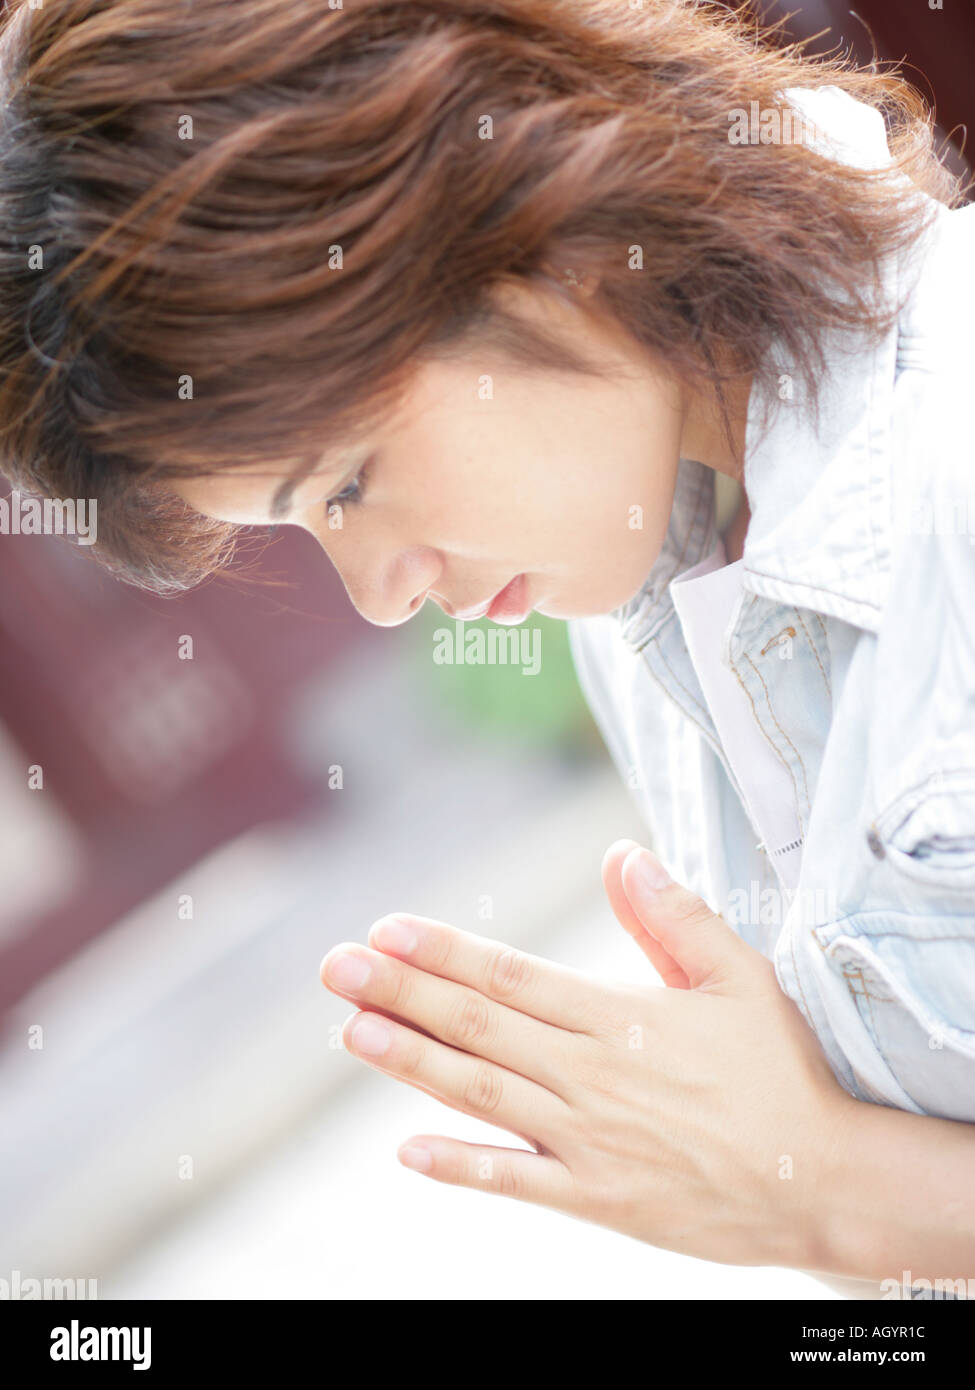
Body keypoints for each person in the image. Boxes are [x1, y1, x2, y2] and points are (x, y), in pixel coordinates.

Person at [1, 0, 972, 1292]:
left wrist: (820, 1196)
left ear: (524, 229)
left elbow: (836, 1184)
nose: (384, 597)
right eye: (302, 529)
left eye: (346, 484)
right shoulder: (647, 608)